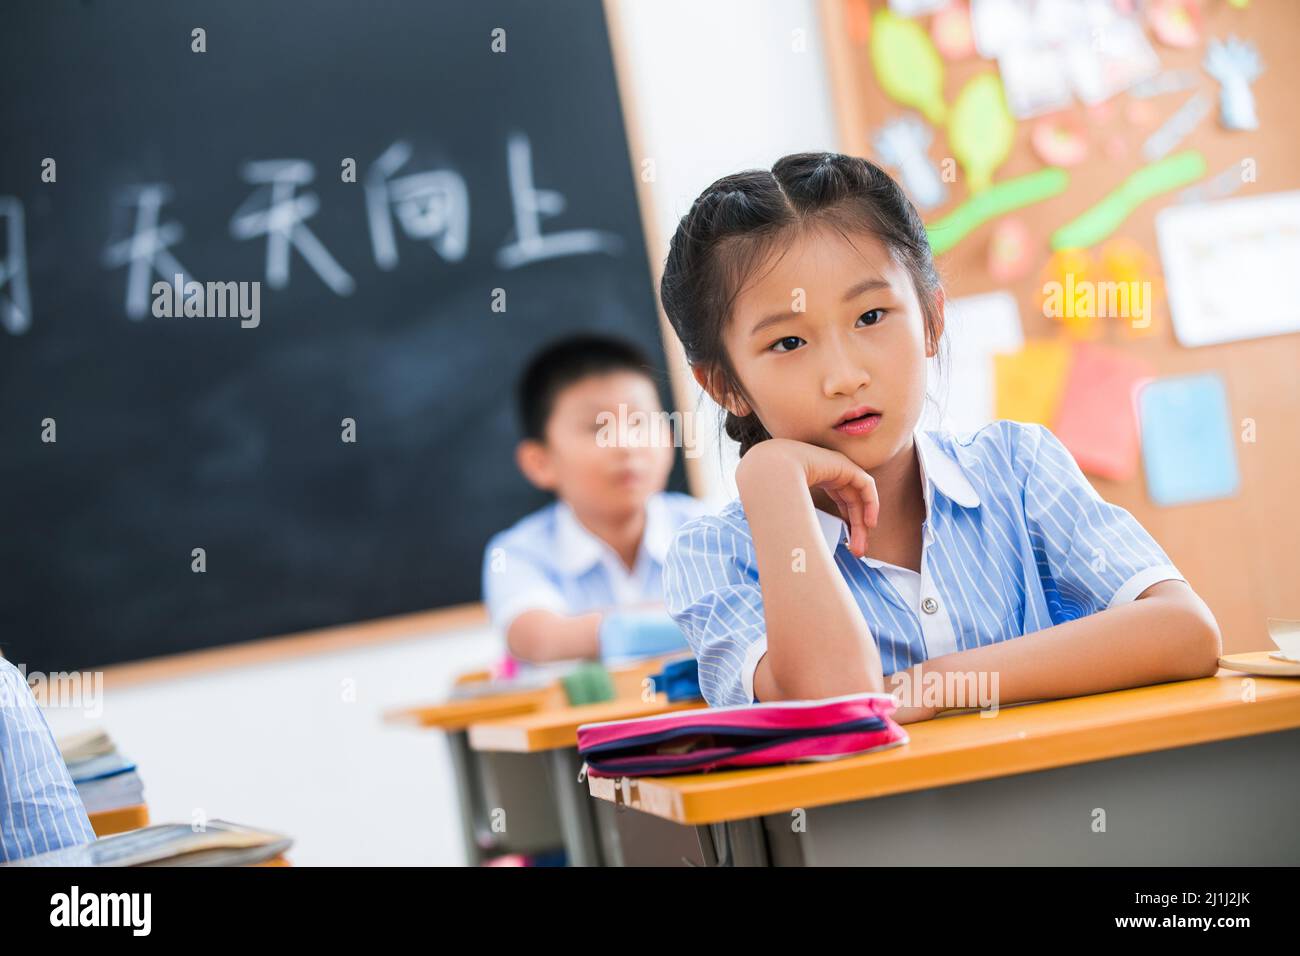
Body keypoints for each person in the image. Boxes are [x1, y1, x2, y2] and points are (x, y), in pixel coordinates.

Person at [658, 152, 1222, 718]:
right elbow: (840, 709)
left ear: (931, 317)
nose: (846, 376)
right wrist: (770, 481)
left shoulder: (1016, 466)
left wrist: (932, 685)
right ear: (724, 384)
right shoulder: (714, 554)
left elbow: (1185, 632)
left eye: (872, 316)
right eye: (788, 344)